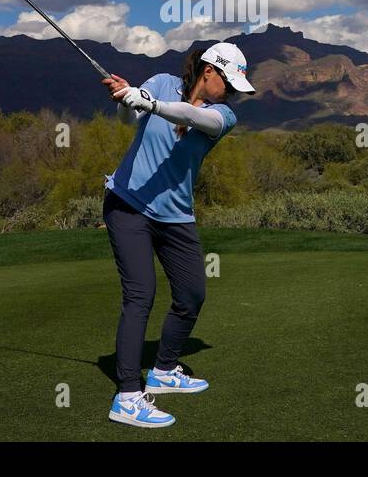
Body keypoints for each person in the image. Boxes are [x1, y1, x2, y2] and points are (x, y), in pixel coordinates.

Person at [100, 41, 255, 428]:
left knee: (191, 294)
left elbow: (188, 115)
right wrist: (125, 99)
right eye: (230, 82)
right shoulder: (162, 82)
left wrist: (148, 103)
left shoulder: (223, 115)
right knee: (141, 293)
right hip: (127, 204)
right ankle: (128, 396)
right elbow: (126, 121)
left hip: (176, 215)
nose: (233, 92)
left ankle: (164, 369)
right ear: (209, 72)